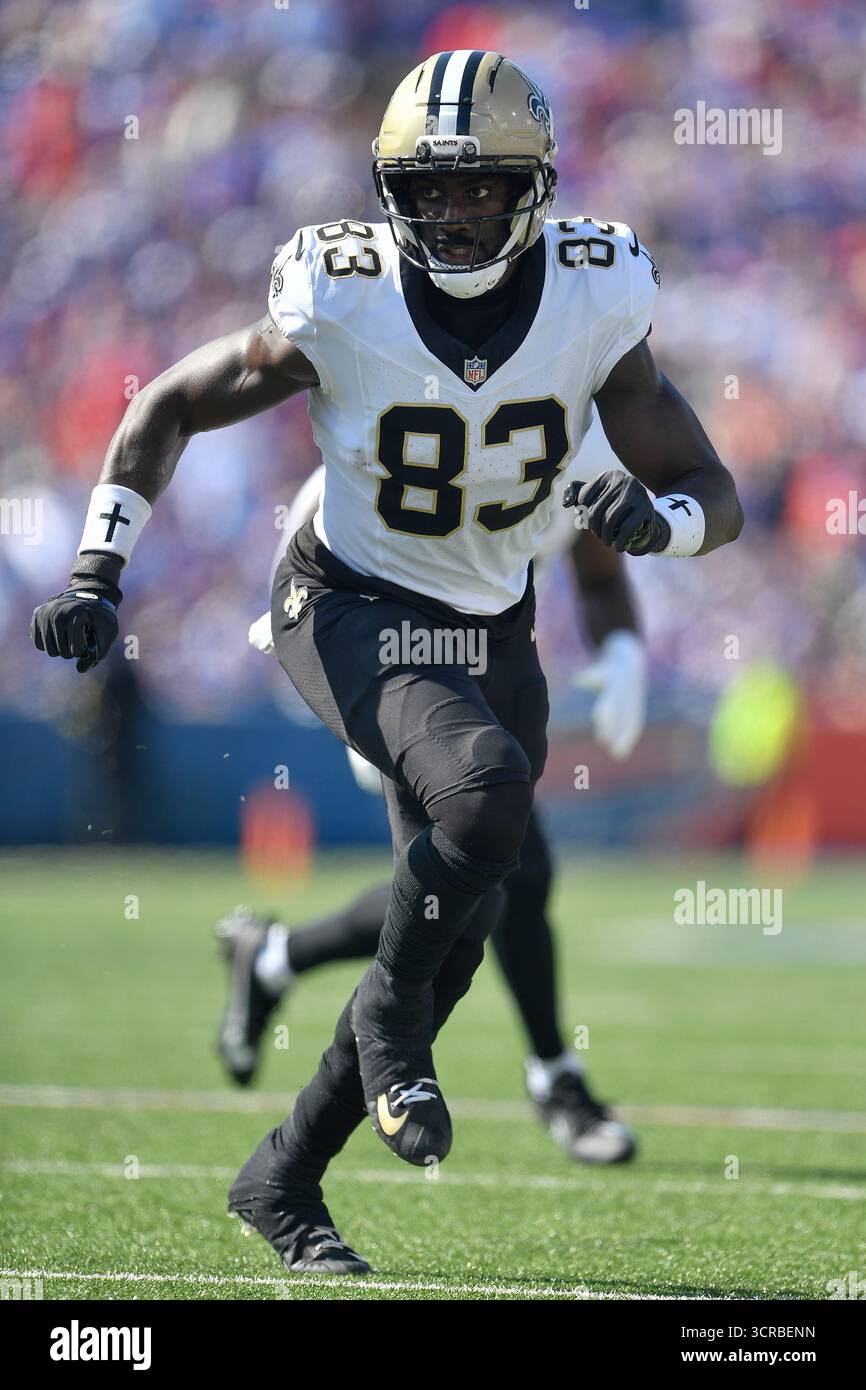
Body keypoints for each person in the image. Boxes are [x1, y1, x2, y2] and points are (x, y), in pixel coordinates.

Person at [31, 51, 743, 1276]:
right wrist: (99, 570)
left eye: (482, 189)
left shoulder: (594, 291)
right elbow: (166, 407)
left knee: (465, 914)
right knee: (482, 796)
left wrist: (658, 528)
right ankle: (398, 1042)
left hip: (490, 614)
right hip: (345, 595)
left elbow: (705, 485)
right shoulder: (341, 292)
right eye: (432, 188)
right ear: (388, 191)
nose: (457, 212)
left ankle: (284, 1175)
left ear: (535, 189)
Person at [216, 415, 648, 1171]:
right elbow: (333, 508)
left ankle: (275, 957)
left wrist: (622, 651)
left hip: (478, 648)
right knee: (494, 868)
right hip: (383, 639)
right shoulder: (461, 421)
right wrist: (306, 628)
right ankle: (551, 1073)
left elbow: (600, 568)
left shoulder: (582, 444)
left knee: (468, 877)